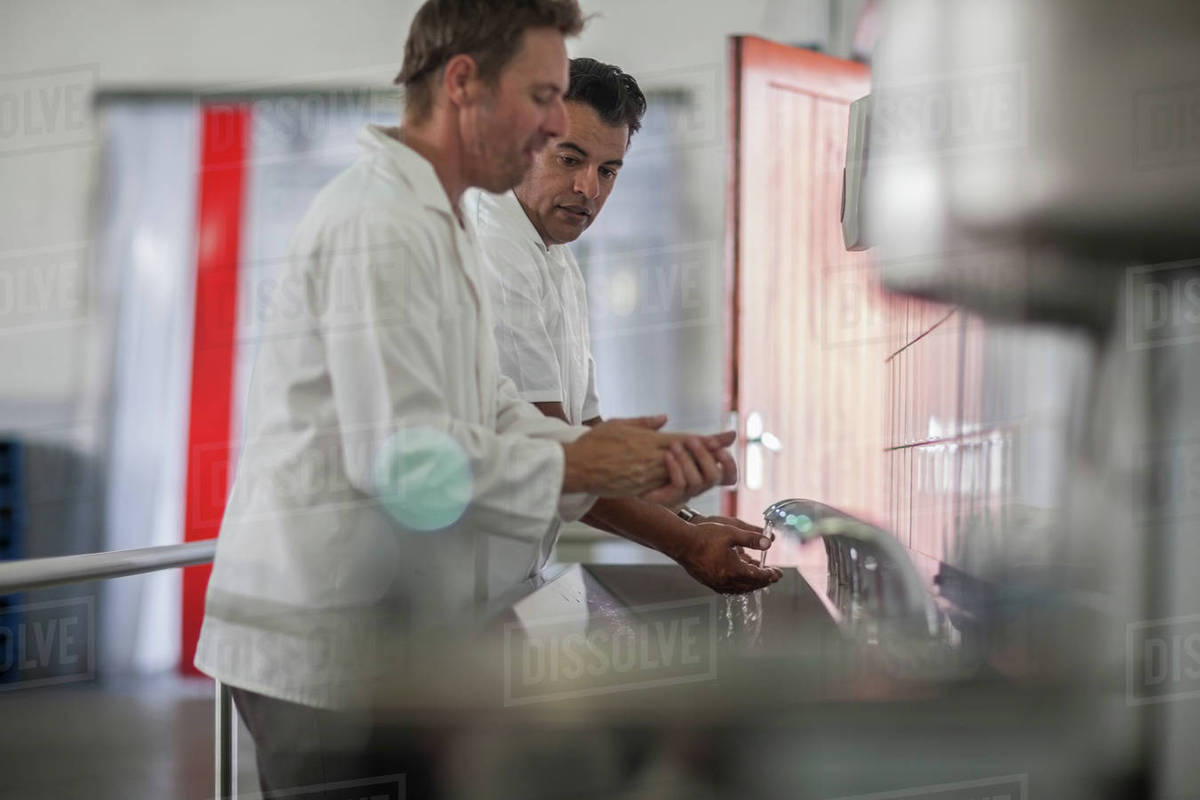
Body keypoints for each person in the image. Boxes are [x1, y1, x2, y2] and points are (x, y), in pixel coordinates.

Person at [193, 2, 754, 796]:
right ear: (463, 84)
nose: (553, 125)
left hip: (401, 641)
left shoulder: (441, 223)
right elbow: (405, 465)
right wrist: (591, 465)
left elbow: (493, 412)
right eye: (541, 100)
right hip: (330, 649)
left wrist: (614, 460)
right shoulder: (385, 225)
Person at [468, 57, 782, 594]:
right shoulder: (494, 249)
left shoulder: (554, 256)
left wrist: (690, 521)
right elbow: (565, 462)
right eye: (570, 158)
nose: (589, 188)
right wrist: (685, 543)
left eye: (608, 170)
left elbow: (582, 436)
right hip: (449, 590)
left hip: (497, 584)